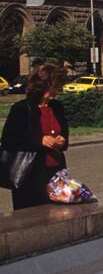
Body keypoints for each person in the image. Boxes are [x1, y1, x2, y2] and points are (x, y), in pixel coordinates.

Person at [1, 62, 69, 210]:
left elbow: (64, 133)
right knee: (31, 217)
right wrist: (39, 141)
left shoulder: (57, 107)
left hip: (55, 172)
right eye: (53, 87)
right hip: (29, 174)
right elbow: (8, 140)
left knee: (58, 213)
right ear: (42, 86)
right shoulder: (21, 109)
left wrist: (62, 140)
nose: (56, 92)